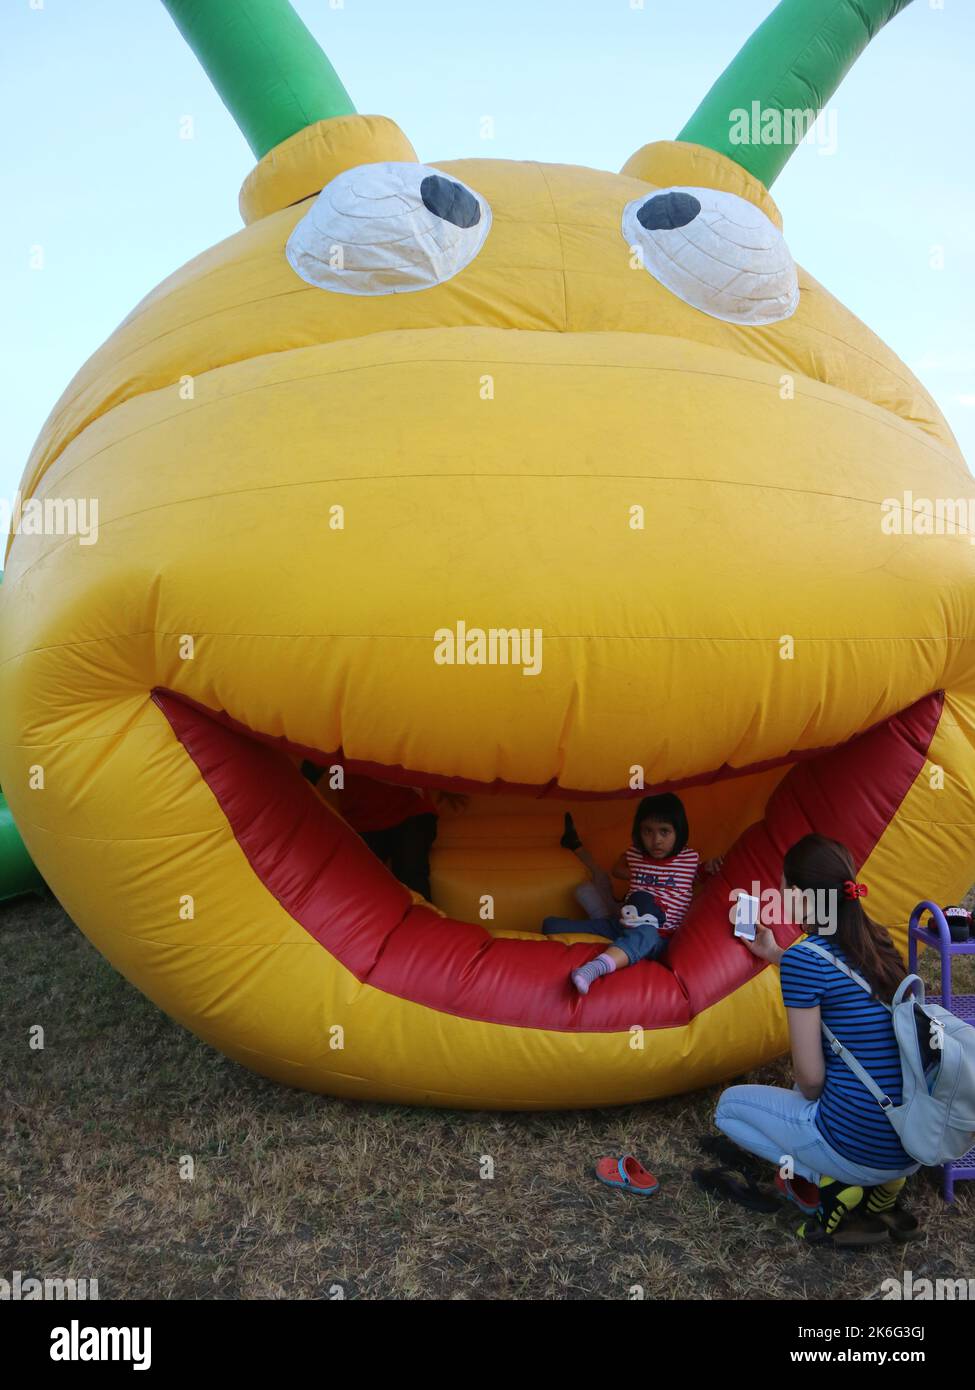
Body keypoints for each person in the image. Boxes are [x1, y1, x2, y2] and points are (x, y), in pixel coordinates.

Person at [714, 833, 920, 1243]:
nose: (779, 895)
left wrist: (817, 1113)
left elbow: (810, 1081)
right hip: (912, 1141)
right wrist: (777, 954)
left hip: (858, 1146)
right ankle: (883, 1192)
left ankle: (834, 1180)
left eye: (783, 887)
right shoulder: (877, 941)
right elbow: (840, 985)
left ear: (802, 896)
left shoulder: (805, 961)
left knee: (727, 1109)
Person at [542, 793, 717, 994]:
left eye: (664, 832)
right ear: (638, 832)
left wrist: (711, 867)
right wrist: (634, 872)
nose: (656, 840)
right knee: (551, 925)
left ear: (679, 832)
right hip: (621, 925)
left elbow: (702, 875)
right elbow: (617, 870)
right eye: (648, 831)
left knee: (645, 932)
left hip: (659, 936)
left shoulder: (688, 860)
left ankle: (595, 968)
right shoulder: (635, 855)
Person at [301, 762, 465, 901]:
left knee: (410, 873)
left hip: (409, 813)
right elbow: (309, 770)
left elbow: (423, 752)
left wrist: (445, 782)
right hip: (363, 822)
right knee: (363, 883)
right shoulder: (338, 737)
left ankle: (422, 931)